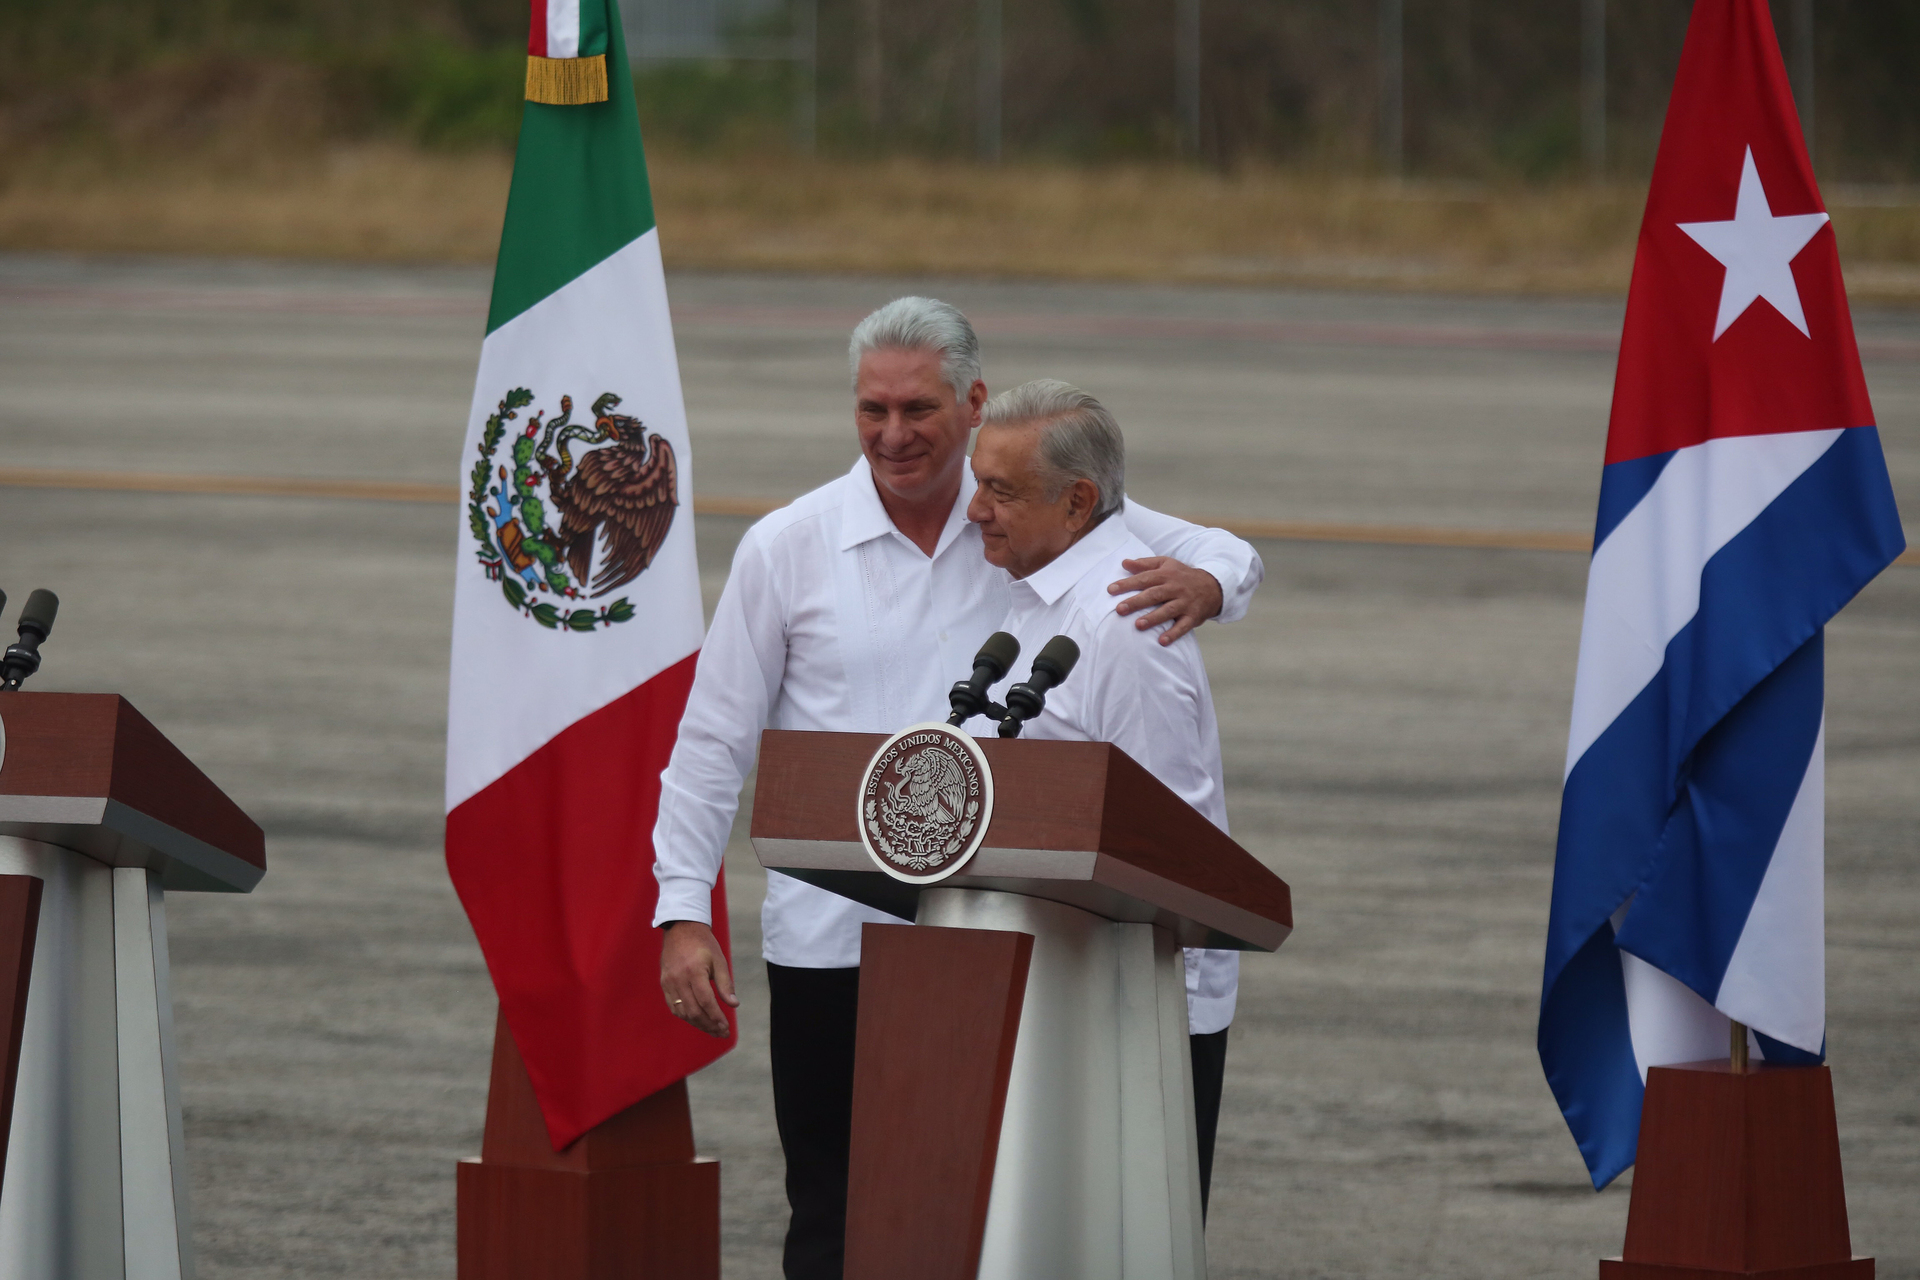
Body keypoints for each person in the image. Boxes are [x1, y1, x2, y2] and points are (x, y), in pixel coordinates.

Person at [651, 297, 1263, 1280]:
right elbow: (713, 736)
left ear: (973, 402)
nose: (894, 435)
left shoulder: (1028, 508)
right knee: (838, 1211)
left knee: (987, 1216)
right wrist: (684, 906)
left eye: (919, 410)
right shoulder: (790, 545)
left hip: (999, 945)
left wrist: (1210, 589)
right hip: (832, 937)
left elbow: (1216, 549)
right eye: (871, 410)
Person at [964, 377, 1238, 1216]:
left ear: (1079, 502)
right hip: (1046, 992)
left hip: (1129, 1016)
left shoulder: (1122, 629)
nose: (974, 511)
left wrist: (1165, 1030)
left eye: (1001, 492)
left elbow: (1172, 850)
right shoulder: (1037, 602)